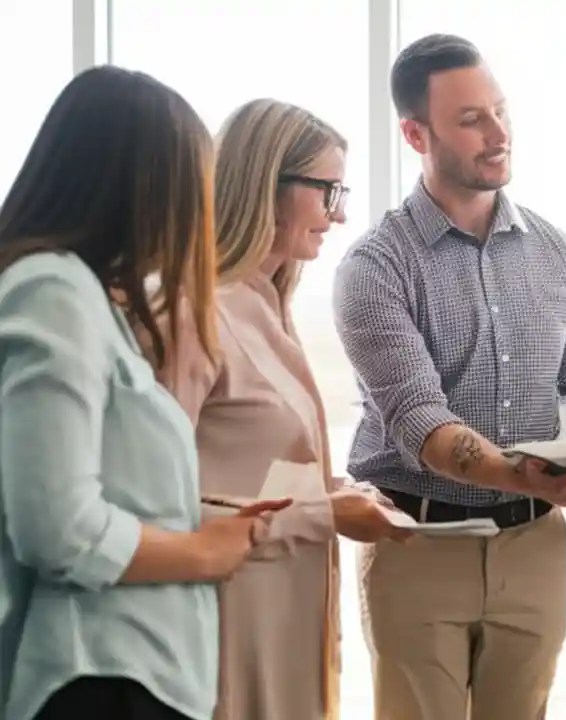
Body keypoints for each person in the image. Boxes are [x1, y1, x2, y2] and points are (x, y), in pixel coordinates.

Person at [334, 34, 566, 719]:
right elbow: (419, 419)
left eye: (500, 111)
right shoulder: (374, 268)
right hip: (417, 543)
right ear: (415, 133)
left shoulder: (560, 254)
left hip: (535, 547)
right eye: (471, 119)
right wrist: (521, 472)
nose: (498, 134)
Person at [0, 66, 285, 720]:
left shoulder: (92, 302)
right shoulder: (53, 291)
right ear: (142, 187)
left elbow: (101, 486)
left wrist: (202, 520)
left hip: (139, 672)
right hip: (99, 675)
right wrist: (199, 551)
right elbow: (56, 525)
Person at [158, 98, 409, 720]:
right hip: (228, 625)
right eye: (328, 191)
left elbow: (243, 467)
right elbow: (155, 502)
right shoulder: (195, 313)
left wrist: (336, 488)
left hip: (290, 617)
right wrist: (322, 513)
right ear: (266, 183)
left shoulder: (268, 307)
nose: (341, 213)